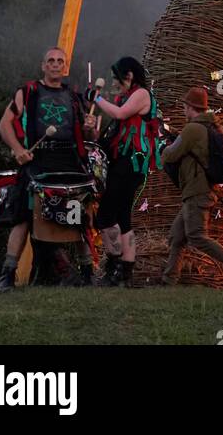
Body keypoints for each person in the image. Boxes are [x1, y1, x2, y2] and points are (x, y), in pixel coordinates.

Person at [0, 46, 95, 291]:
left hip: (69, 162)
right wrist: (19, 149)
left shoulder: (74, 96)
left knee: (80, 218)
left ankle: (88, 273)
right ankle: (7, 275)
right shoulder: (28, 91)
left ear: (65, 67)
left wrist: (91, 127)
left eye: (60, 61)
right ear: (43, 65)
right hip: (37, 160)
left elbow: (89, 134)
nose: (55, 64)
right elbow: (4, 123)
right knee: (23, 218)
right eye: (50, 60)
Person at [161, 87, 223, 288]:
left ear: (190, 107)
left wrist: (164, 147)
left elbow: (170, 155)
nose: (183, 110)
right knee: (177, 236)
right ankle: (169, 280)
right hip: (199, 190)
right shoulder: (212, 127)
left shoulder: (193, 129)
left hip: (197, 190)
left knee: (197, 236)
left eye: (185, 106)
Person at [91, 57, 161, 287]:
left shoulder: (140, 94)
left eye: (116, 77)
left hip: (130, 165)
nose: (114, 82)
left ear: (128, 76)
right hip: (122, 163)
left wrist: (97, 98)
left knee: (105, 216)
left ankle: (116, 265)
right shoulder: (128, 97)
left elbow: (120, 114)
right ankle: (124, 272)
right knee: (122, 217)